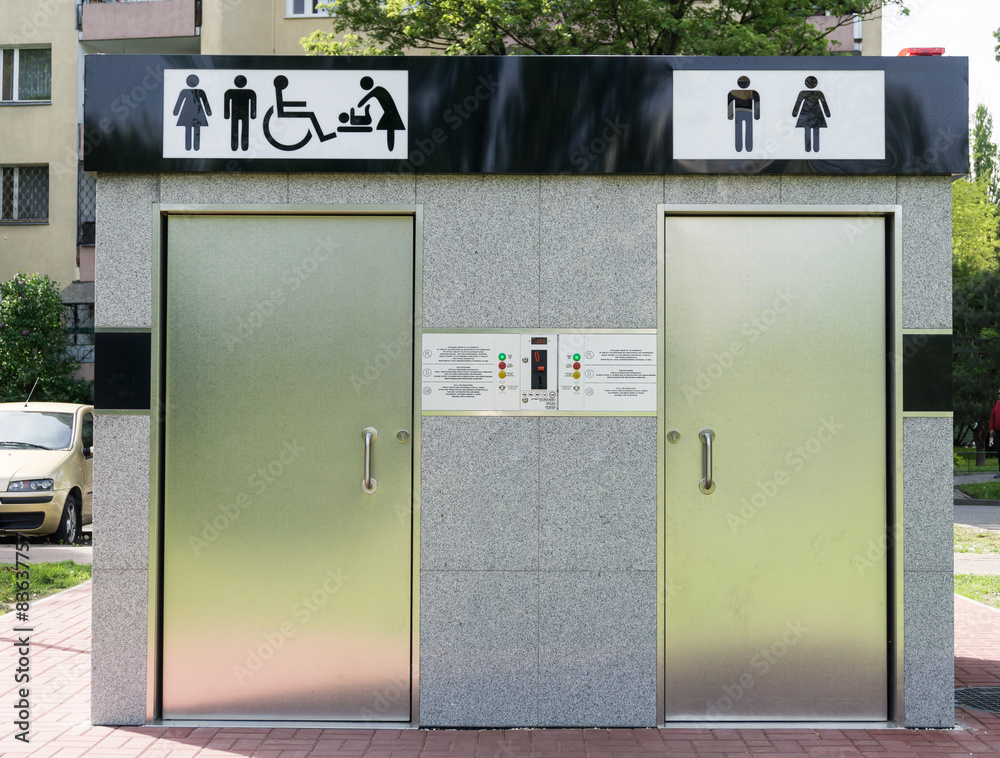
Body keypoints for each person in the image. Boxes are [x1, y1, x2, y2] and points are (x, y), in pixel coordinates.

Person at [357, 76, 405, 150]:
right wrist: (360, 105)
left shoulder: (378, 90)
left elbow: (364, 100)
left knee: (390, 129)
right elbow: (364, 100)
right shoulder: (378, 90)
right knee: (390, 129)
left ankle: (391, 149)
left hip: (391, 115)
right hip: (391, 115)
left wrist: (360, 105)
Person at [791, 76, 831, 153]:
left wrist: (795, 113)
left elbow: (798, 104)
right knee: (815, 130)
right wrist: (827, 114)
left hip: (807, 114)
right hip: (815, 114)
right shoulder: (818, 93)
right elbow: (824, 104)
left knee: (808, 130)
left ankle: (809, 149)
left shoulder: (804, 93)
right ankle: (814, 149)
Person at [172, 74, 212, 152]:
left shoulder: (197, 91)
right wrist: (208, 112)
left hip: (191, 113)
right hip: (194, 113)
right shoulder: (193, 91)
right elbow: (179, 102)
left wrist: (176, 112)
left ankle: (192, 147)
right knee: (193, 129)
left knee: (191, 129)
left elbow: (205, 102)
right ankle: (192, 147)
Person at [727, 76, 760, 153]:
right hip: (745, 112)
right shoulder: (751, 92)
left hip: (743, 112)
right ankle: (744, 148)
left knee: (743, 131)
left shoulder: (734, 92)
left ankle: (744, 148)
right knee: (743, 131)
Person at [990, 389, 1000, 478]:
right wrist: (991, 429)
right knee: (999, 451)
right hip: (997, 431)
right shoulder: (996, 404)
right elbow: (992, 417)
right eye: (999, 393)